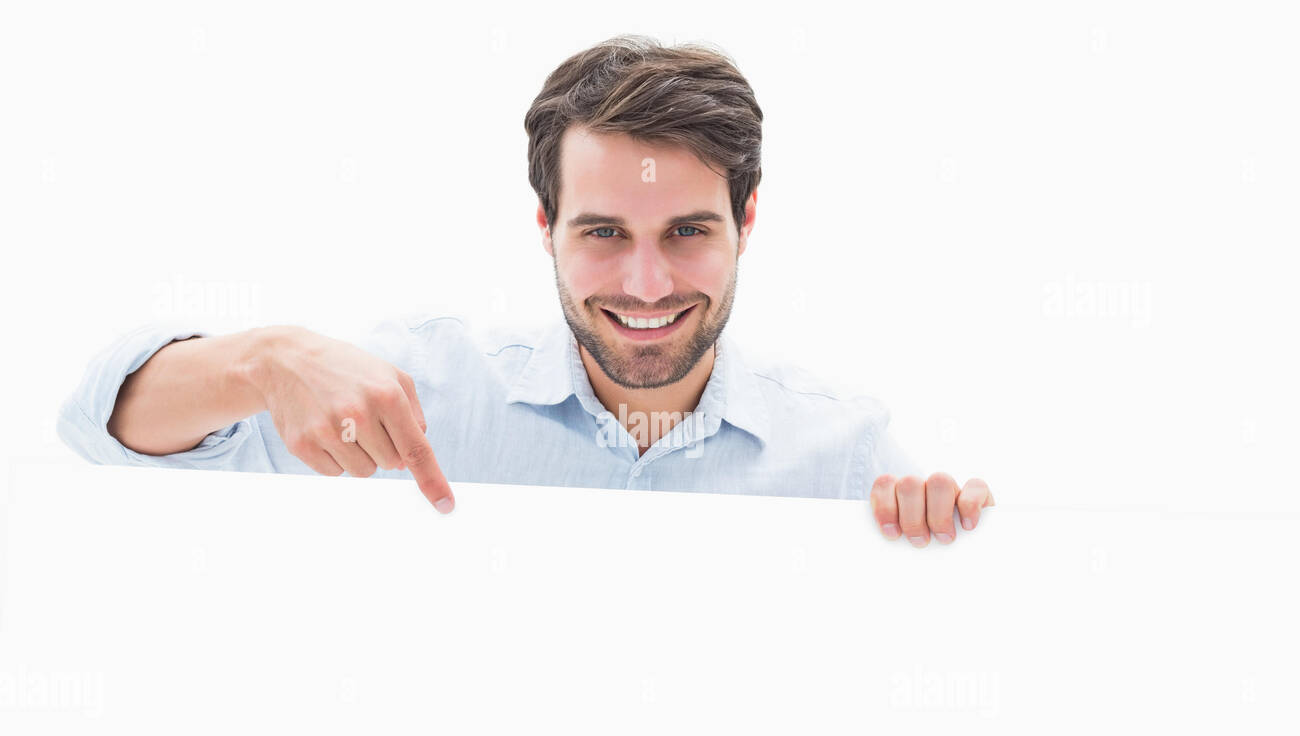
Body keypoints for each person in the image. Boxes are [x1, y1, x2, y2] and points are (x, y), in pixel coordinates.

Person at [58, 35, 994, 547]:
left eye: (688, 232)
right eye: (602, 233)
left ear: (748, 221)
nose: (646, 283)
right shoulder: (416, 397)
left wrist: (943, 551)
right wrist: (262, 362)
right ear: (545, 226)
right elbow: (100, 432)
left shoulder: (844, 455)